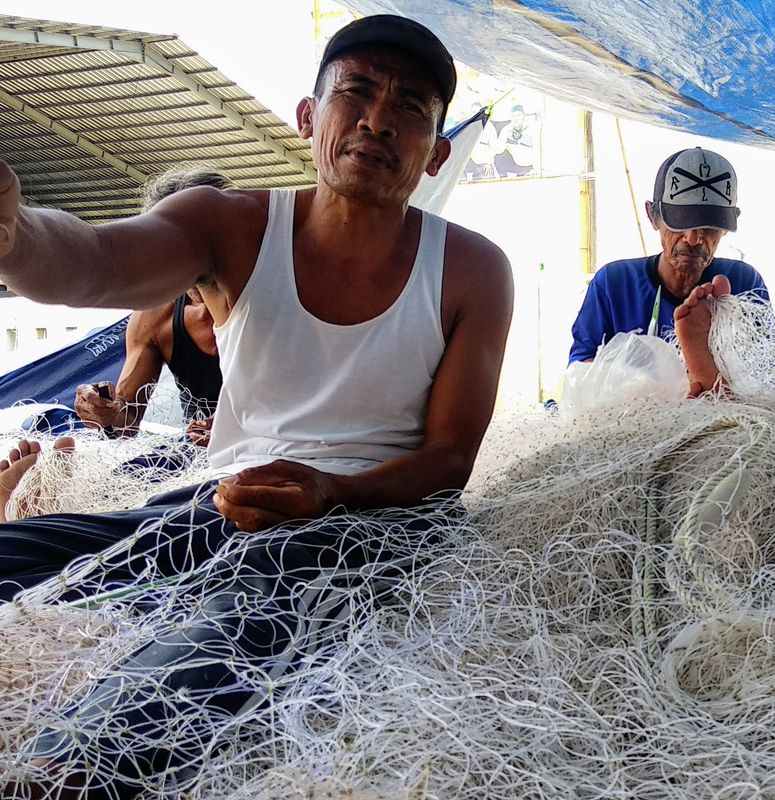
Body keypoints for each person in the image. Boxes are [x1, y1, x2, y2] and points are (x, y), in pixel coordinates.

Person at [0, 13, 513, 799]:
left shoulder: (474, 269)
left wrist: (332, 491)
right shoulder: (230, 227)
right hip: (224, 500)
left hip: (373, 523)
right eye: (358, 91)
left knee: (252, 609)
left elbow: (449, 463)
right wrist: (16, 237)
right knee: (58, 551)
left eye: (411, 106)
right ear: (310, 117)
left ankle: (67, 769)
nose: (378, 119)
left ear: (436, 151)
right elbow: (96, 262)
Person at [568, 147, 769, 394]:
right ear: (653, 216)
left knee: (750, 394)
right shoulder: (613, 284)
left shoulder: (744, 283)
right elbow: (579, 373)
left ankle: (714, 382)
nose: (694, 238)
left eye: (709, 227)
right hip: (636, 420)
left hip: (724, 422)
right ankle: (696, 380)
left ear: (726, 227)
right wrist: (651, 384)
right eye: (680, 223)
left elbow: (765, 373)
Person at [75, 165, 230, 442]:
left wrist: (240, 423)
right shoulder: (155, 316)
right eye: (177, 250)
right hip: (198, 463)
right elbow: (127, 420)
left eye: (203, 245)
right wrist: (104, 412)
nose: (192, 264)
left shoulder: (275, 300)